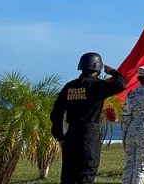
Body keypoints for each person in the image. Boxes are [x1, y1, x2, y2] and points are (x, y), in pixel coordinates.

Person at [51, 52, 127, 184]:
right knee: (86, 174)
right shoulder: (97, 86)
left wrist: (60, 136)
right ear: (98, 68)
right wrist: (114, 72)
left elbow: (56, 113)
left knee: (68, 176)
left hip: (71, 135)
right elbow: (121, 84)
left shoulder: (69, 86)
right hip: (89, 135)